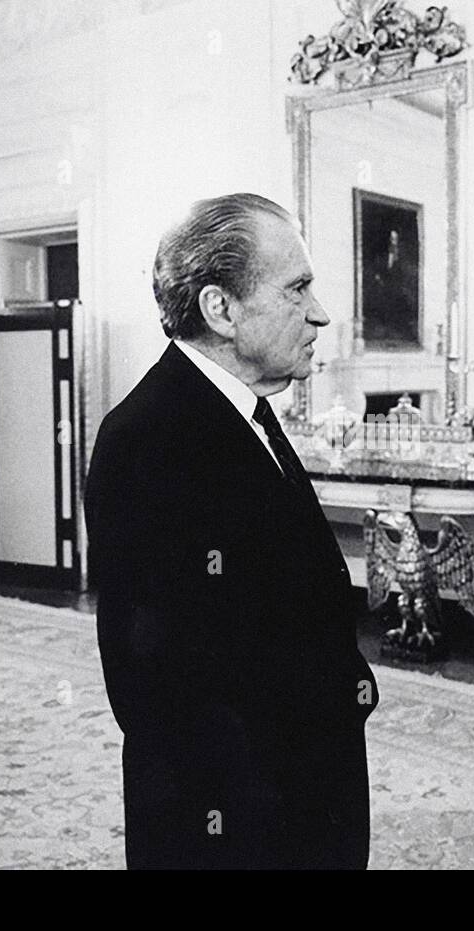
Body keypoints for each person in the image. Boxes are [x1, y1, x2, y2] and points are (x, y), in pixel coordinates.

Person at [85, 193, 378, 869]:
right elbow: (162, 689)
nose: (321, 312)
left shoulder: (248, 410)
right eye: (297, 288)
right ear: (221, 309)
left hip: (300, 794)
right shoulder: (146, 440)